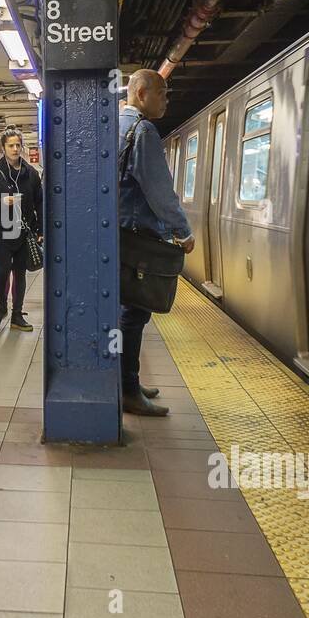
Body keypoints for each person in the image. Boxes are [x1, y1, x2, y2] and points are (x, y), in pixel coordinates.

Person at [119, 69, 194, 416]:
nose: (166, 100)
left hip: (116, 233)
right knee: (135, 313)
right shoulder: (143, 130)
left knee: (125, 311)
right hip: (138, 237)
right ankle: (129, 390)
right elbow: (159, 190)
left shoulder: (113, 125)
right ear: (142, 92)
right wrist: (183, 231)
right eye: (162, 93)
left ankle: (126, 382)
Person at [0, 127, 42, 332]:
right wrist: (0, 200)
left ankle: (17, 314)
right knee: (4, 272)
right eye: (11, 145)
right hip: (1, 232)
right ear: (3, 148)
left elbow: (39, 203)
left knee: (20, 273)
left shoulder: (31, 174)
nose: (15, 149)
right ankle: (1, 309)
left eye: (18, 145)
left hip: (24, 232)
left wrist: (40, 230)